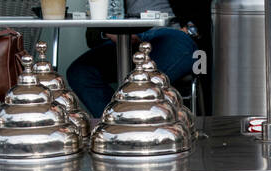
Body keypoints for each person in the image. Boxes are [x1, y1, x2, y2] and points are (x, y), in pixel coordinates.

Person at [66, 0, 211, 116]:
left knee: (139, 82)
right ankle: (119, 125)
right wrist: (107, 33)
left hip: (171, 35)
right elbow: (92, 33)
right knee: (80, 72)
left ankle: (129, 124)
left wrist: (191, 30)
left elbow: (202, 13)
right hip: (127, 38)